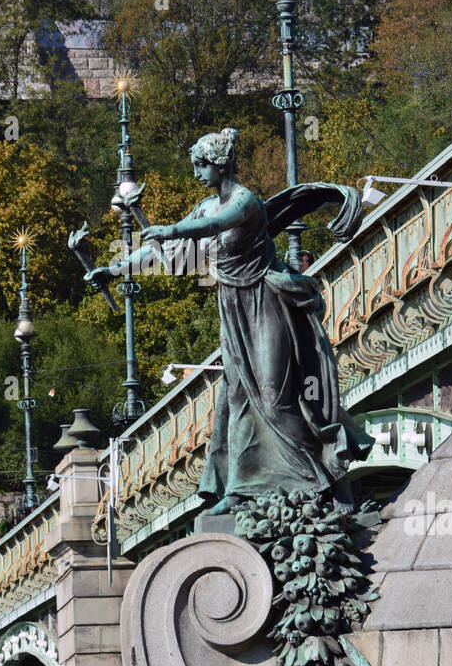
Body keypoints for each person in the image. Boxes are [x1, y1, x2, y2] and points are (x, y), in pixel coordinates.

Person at [90, 127, 370, 513]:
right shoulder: (204, 205)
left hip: (266, 301)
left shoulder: (244, 201)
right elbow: (164, 252)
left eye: (202, 165)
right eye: (195, 166)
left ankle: (330, 481)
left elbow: (213, 227)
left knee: (275, 396)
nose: (196, 173)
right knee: (237, 398)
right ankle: (239, 490)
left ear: (221, 164)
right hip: (232, 308)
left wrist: (171, 228)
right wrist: (115, 269)